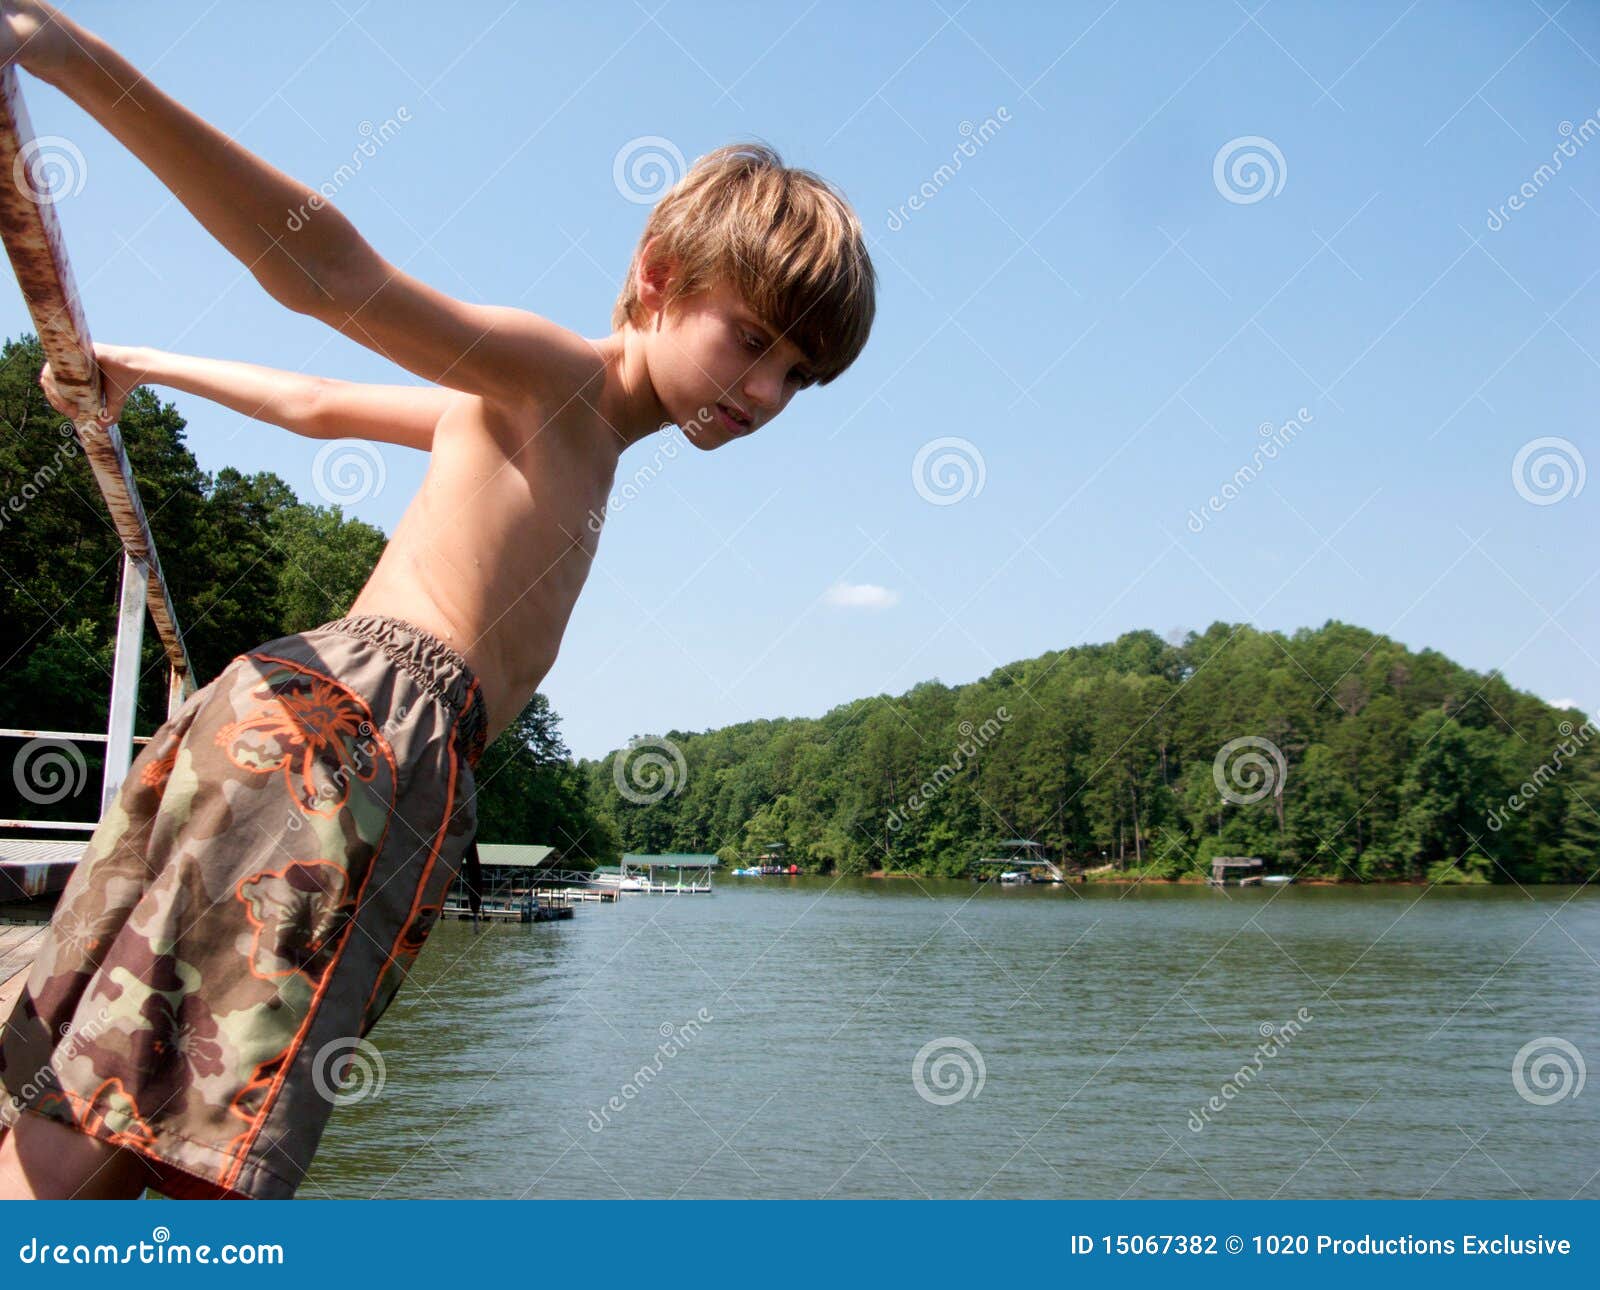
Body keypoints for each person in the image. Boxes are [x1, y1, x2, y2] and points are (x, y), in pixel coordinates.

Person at [0, 0, 874, 1199]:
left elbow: (314, 401)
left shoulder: (562, 431)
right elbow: (327, 276)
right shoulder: (554, 378)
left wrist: (138, 367)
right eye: (752, 341)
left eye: (798, 376)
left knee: (175, 1120)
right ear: (658, 280)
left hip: (385, 762)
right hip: (346, 736)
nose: (767, 391)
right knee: (104, 1116)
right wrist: (68, 56)